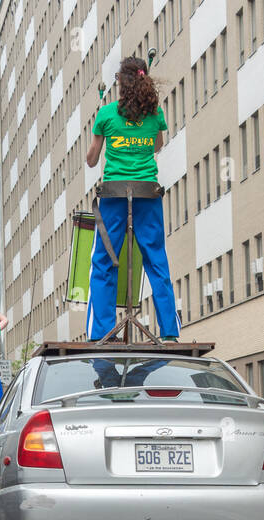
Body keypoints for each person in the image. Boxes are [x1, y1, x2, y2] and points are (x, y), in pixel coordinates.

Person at [83, 56, 178, 342]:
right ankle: (170, 333)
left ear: (120, 84)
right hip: (147, 191)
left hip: (114, 192)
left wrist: (101, 124)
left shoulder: (107, 114)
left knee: (104, 261)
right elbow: (157, 146)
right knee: (156, 260)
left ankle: (102, 332)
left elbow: (91, 160)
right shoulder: (155, 114)